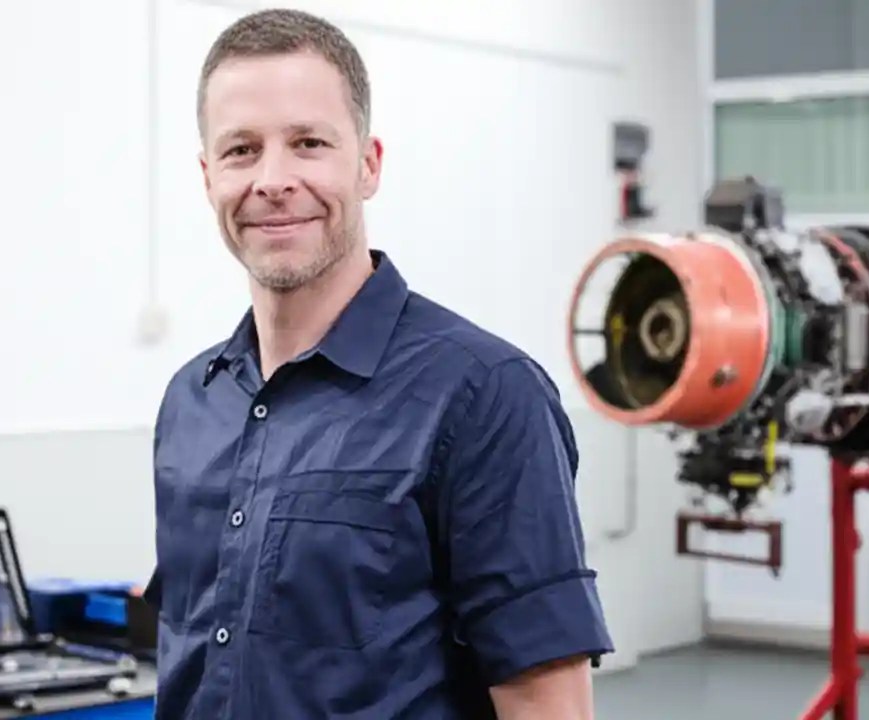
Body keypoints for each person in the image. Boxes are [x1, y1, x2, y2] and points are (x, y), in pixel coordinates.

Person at [145, 8, 613, 719]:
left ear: (368, 164)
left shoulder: (482, 396)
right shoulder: (192, 401)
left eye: (308, 143)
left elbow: (547, 704)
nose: (273, 179)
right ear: (208, 175)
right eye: (241, 150)